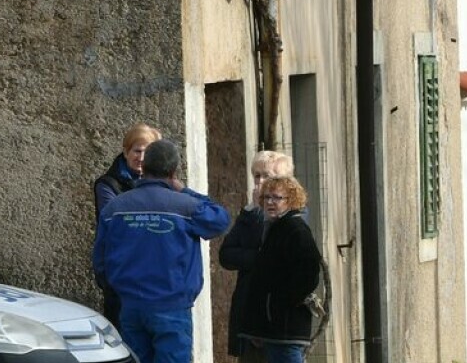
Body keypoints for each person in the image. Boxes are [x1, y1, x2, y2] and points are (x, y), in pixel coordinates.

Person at [92, 139, 230, 363]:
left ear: (143, 167)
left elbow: (100, 259)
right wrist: (184, 190)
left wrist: (117, 289)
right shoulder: (186, 206)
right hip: (172, 306)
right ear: (173, 171)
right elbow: (220, 219)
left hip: (131, 306)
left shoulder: (115, 208)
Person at [219, 150, 295, 358]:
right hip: (247, 313)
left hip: (276, 319)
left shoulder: (293, 216)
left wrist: (256, 257)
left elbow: (278, 259)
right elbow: (227, 255)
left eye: (267, 176)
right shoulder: (252, 212)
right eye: (257, 176)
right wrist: (252, 210)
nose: (261, 182)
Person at [239, 176, 322, 363]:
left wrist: (282, 302)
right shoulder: (276, 228)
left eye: (277, 198)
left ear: (291, 200)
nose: (270, 202)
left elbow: (309, 272)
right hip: (275, 328)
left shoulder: (295, 229)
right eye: (266, 197)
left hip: (286, 327)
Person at [92, 122, 162, 323]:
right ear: (125, 151)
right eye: (137, 151)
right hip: (122, 275)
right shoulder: (108, 185)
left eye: (148, 152)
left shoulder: (162, 182)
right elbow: (119, 224)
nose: (141, 158)